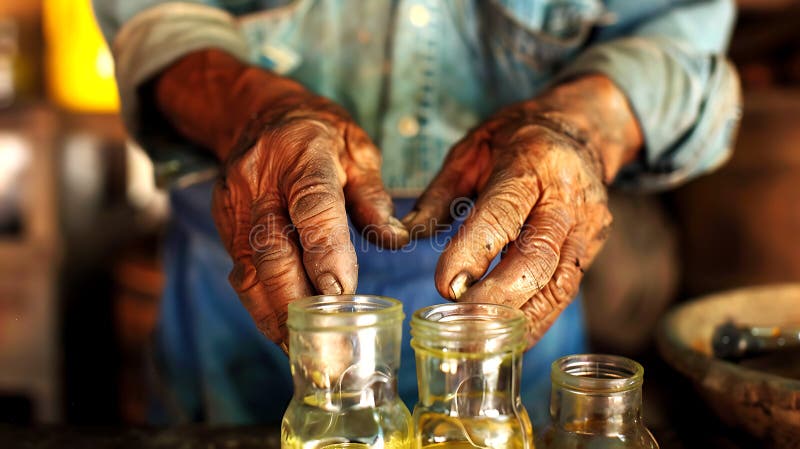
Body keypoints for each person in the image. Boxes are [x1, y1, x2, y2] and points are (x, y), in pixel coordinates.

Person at [92, 0, 741, 425]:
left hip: (509, 279)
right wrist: (250, 109)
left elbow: (676, 41)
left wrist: (580, 126)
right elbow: (149, 14)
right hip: (251, 273)